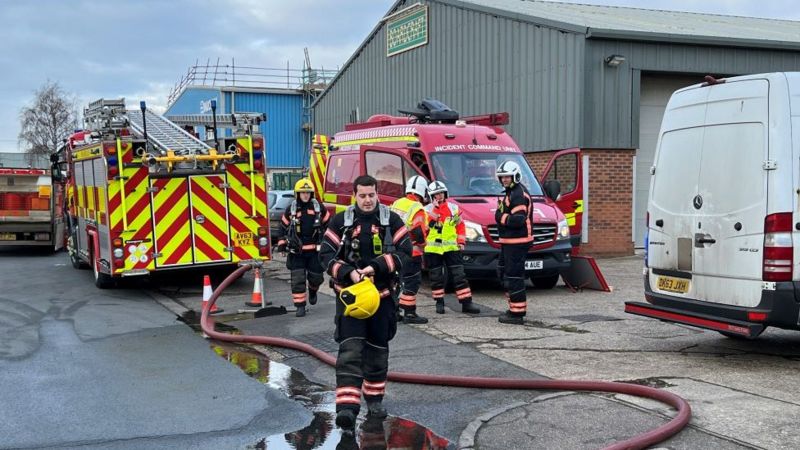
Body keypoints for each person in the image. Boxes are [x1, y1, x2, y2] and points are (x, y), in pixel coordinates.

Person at [319, 175, 413, 434]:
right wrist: (348, 272)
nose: (368, 200)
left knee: (377, 351)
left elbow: (408, 251)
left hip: (381, 299)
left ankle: (374, 401)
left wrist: (378, 266)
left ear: (377, 193)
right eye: (363, 195)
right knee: (350, 351)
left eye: (372, 195)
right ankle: (347, 409)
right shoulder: (342, 222)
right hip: (350, 299)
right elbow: (324, 255)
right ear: (355, 195)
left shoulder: (390, 220)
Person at [276, 178, 331, 317]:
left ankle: (313, 290)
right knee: (298, 280)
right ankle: (300, 306)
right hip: (297, 252)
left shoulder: (319, 208)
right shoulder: (292, 209)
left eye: (308, 192)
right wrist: (282, 246)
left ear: (311, 194)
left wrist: (330, 246)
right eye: (302, 192)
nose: (305, 195)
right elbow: (282, 228)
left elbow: (330, 227)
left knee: (316, 278)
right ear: (297, 194)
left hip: (315, 252)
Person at [423, 181, 480, 315]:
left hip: (452, 248)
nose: (439, 196)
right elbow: (425, 228)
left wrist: (461, 242)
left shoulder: (453, 208)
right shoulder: (426, 210)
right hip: (433, 250)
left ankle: (466, 303)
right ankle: (439, 303)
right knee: (436, 278)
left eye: (441, 193)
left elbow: (460, 226)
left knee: (459, 276)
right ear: (431, 196)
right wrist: (434, 212)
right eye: (436, 194)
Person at [494, 160, 534, 325]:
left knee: (514, 276)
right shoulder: (510, 193)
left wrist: (499, 217)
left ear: (515, 176)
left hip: (517, 242)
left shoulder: (517, 194)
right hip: (509, 241)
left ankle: (517, 314)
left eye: (507, 177)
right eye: (502, 177)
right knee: (505, 273)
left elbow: (518, 219)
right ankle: (514, 308)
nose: (504, 180)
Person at [390, 175, 430, 324]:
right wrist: (423, 246)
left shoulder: (397, 203)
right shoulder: (417, 208)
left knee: (396, 281)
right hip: (412, 252)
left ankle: (394, 311)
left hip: (394, 250)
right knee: (412, 281)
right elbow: (418, 231)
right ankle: (409, 312)